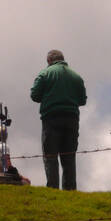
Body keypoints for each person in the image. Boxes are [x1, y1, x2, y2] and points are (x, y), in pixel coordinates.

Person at [30, 49, 87, 190]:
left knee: (51, 155)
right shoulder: (77, 77)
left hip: (51, 118)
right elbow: (82, 100)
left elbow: (34, 95)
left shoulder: (45, 74)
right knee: (69, 155)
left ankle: (52, 188)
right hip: (72, 119)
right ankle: (70, 190)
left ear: (49, 61)